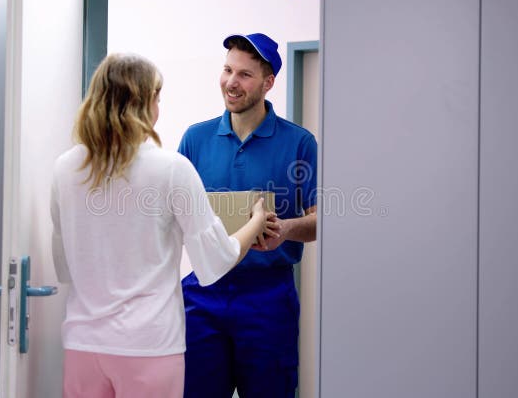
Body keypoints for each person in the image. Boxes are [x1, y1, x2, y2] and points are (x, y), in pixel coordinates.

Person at [50, 53, 278, 398]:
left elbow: (65, 266)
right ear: (143, 103)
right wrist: (257, 221)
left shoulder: (65, 168)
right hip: (148, 347)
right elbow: (215, 259)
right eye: (157, 98)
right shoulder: (171, 168)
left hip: (83, 344)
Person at [178, 33, 318, 397]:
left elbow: (322, 219)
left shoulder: (299, 143)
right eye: (227, 70)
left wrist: (286, 228)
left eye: (244, 75)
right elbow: (172, 217)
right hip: (202, 293)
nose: (231, 82)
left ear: (268, 83)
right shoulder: (195, 139)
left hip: (267, 297)